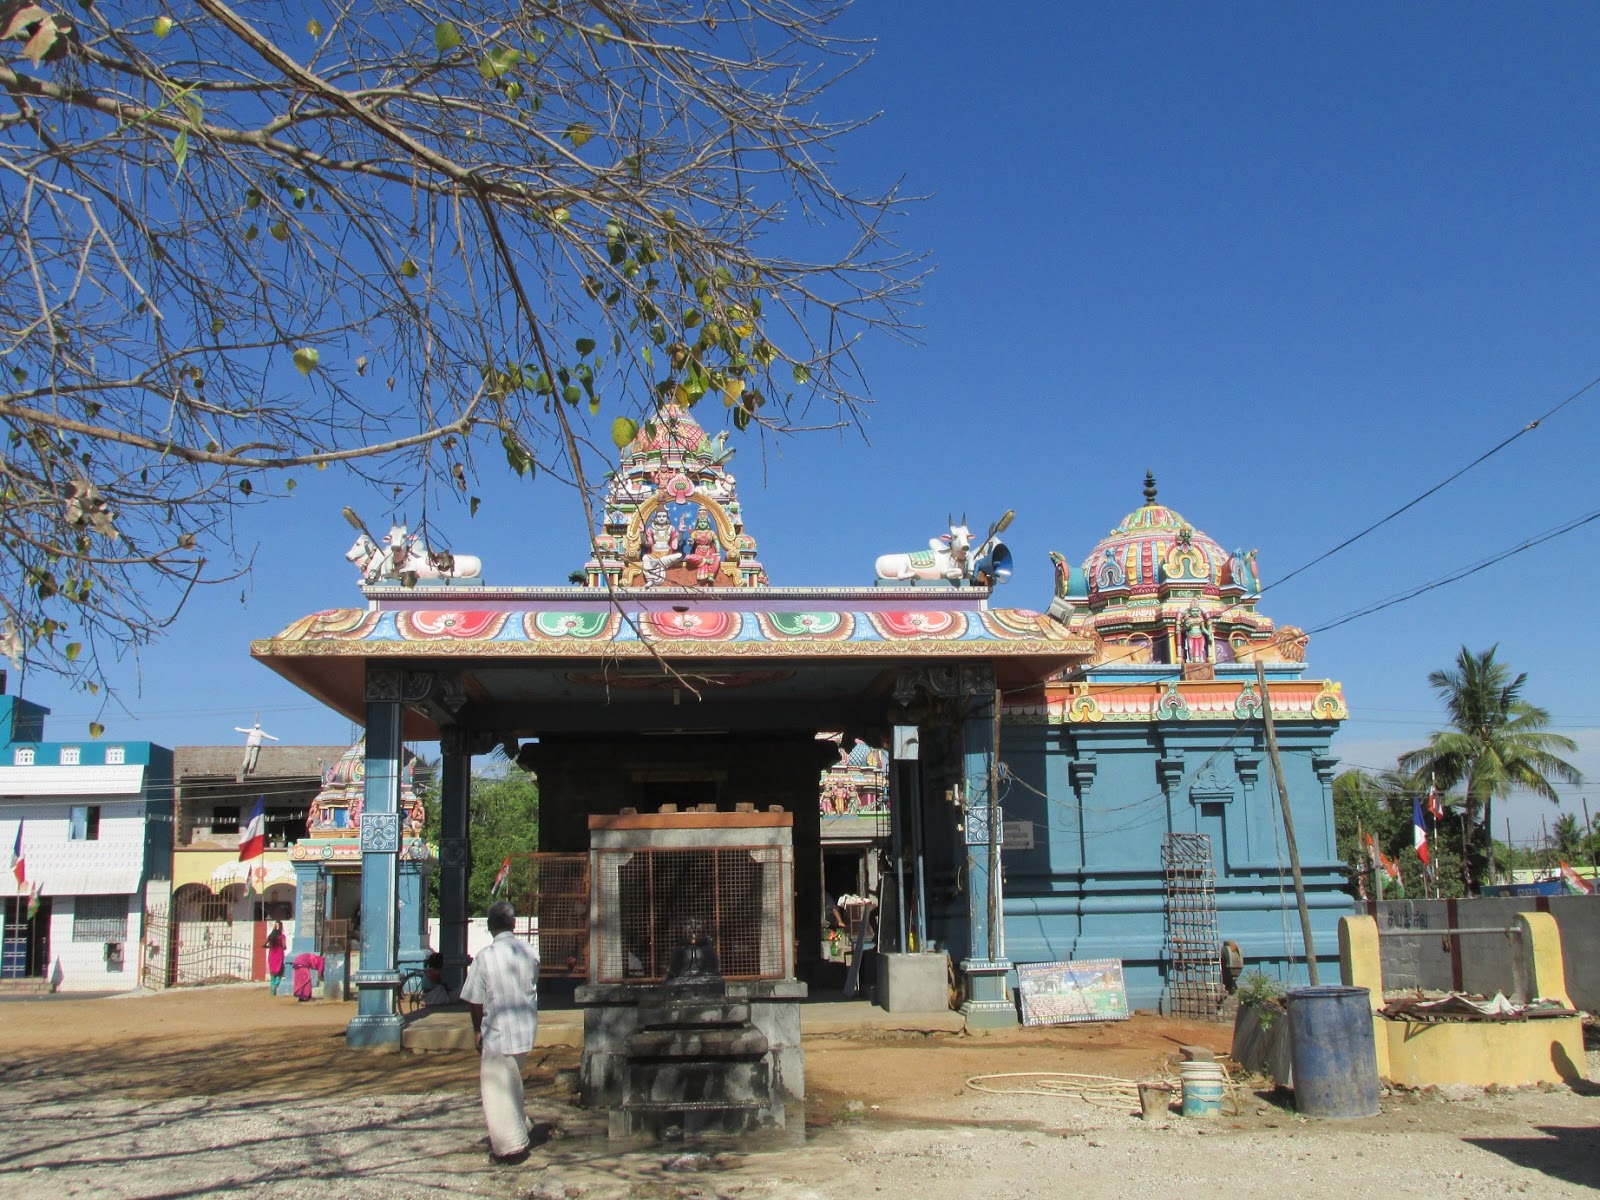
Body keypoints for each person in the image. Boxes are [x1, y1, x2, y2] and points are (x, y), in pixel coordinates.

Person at [460, 900, 541, 1165]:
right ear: (513, 923)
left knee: (496, 1091)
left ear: (490, 926)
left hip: (498, 1031)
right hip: (524, 1030)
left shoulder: (485, 956)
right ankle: (522, 1126)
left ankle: (510, 1147)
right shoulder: (529, 952)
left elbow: (475, 999)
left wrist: (476, 1030)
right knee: (513, 1082)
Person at [264, 920, 287, 995]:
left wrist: (270, 946)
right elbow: (284, 947)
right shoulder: (282, 936)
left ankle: (272, 990)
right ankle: (276, 985)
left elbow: (264, 944)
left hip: (271, 955)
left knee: (272, 973)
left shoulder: (270, 936)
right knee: (280, 972)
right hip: (279, 955)